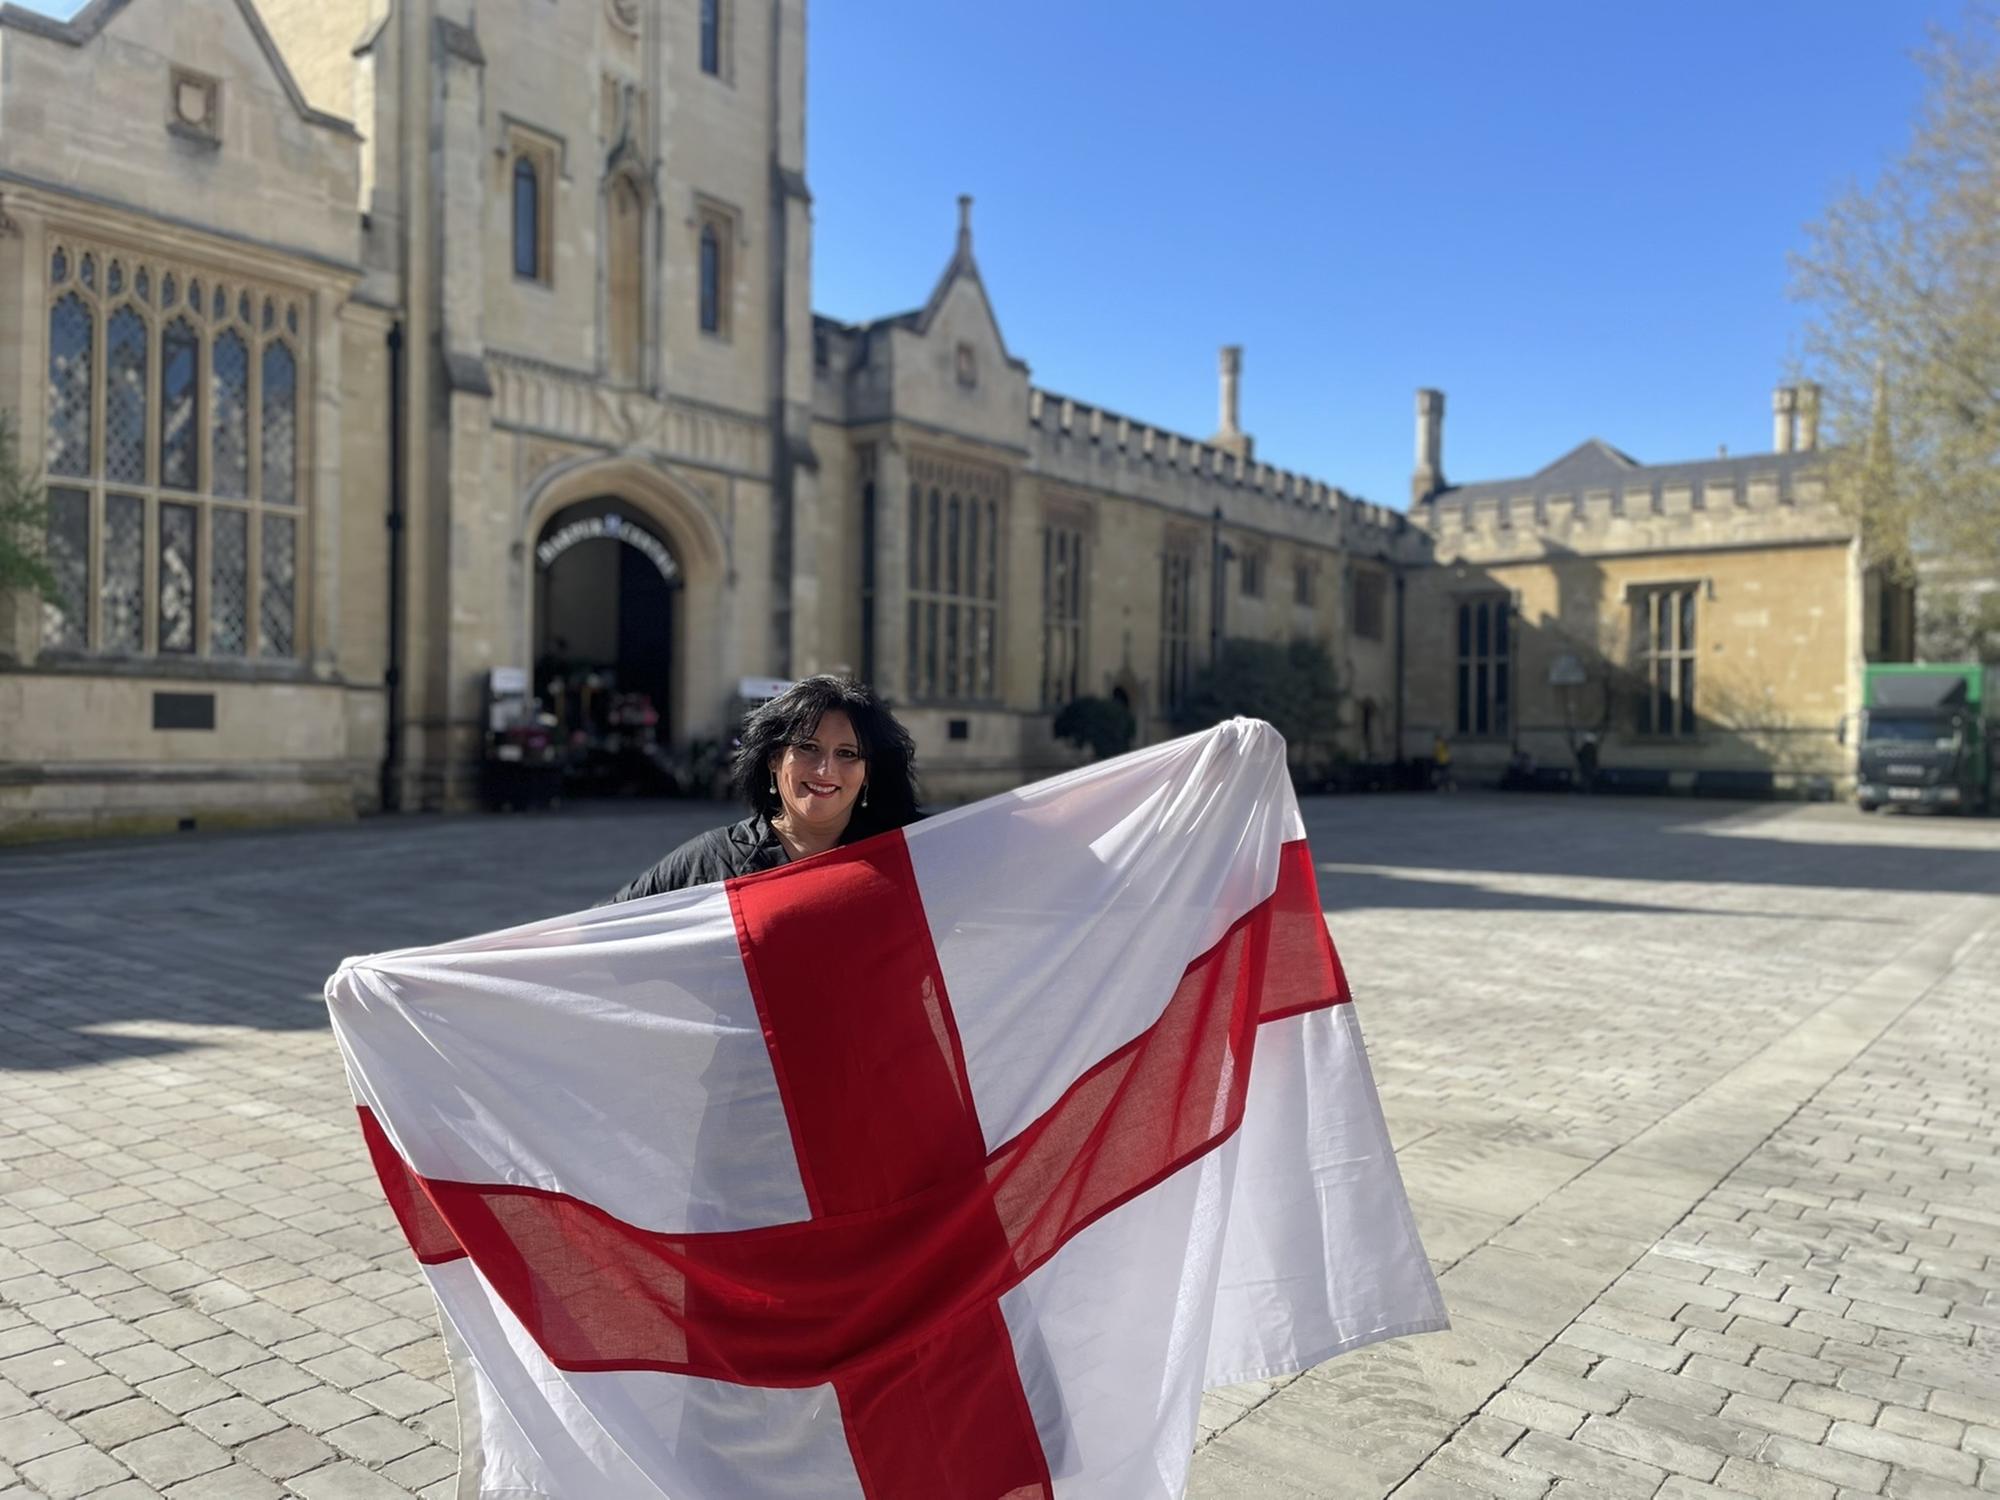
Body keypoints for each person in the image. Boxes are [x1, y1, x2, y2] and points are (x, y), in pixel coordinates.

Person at [606, 675, 921, 901]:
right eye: (808, 747)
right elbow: (601, 930)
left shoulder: (911, 857)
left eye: (848, 753)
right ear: (774, 759)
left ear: (868, 773)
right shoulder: (713, 860)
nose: (826, 770)